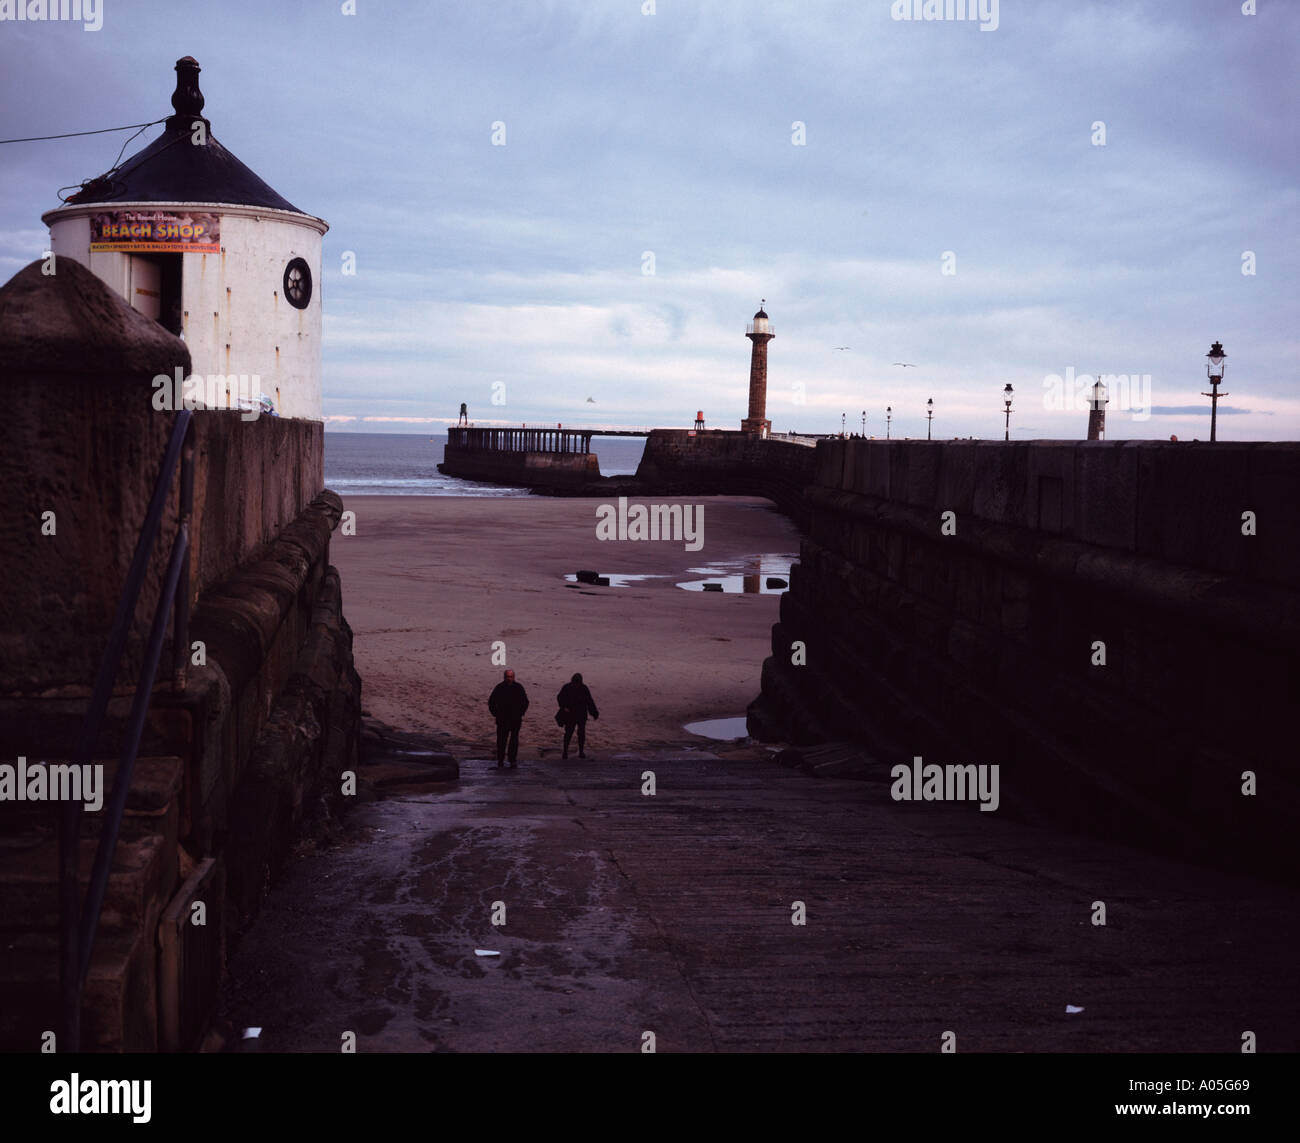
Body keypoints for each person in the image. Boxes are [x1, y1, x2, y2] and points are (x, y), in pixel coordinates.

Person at [488, 669, 529, 768]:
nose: (509, 679)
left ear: (514, 677)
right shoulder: (500, 687)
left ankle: (512, 760)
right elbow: (491, 702)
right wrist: (496, 714)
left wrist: (521, 713)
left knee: (514, 740)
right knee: (501, 741)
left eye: (511, 677)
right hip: (502, 719)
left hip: (515, 719)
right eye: (507, 677)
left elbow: (525, 702)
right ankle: (500, 760)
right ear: (504, 677)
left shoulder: (518, 687)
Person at [556, 672, 599, 759]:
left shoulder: (567, 687)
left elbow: (560, 697)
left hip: (573, 714)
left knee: (570, 733)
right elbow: (589, 702)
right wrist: (594, 713)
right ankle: (579, 752)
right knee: (579, 733)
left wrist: (564, 707)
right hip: (579, 714)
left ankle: (566, 752)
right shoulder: (583, 688)